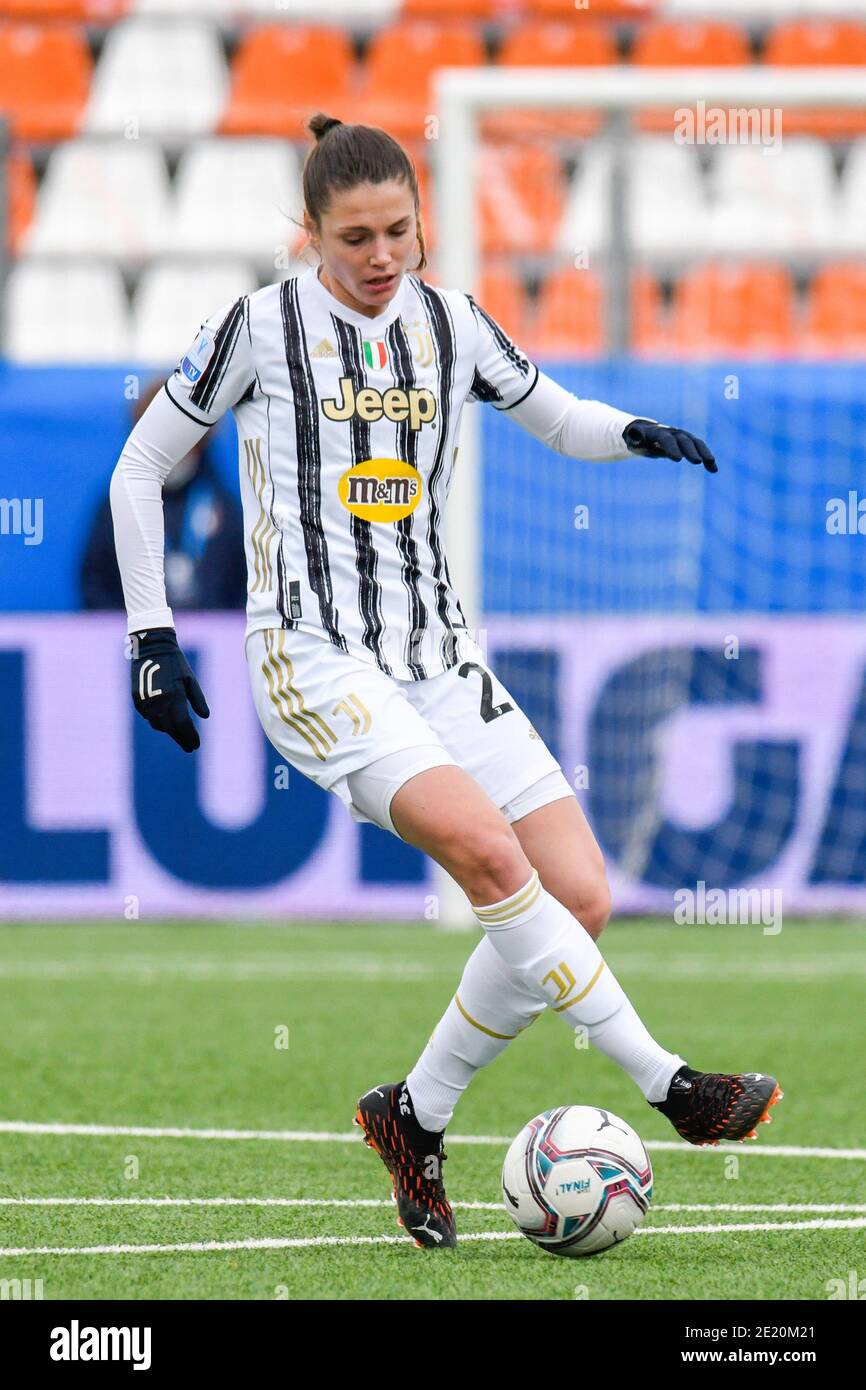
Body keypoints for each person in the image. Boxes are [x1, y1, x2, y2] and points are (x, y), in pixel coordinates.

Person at [110, 113, 782, 1251]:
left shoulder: (449, 320)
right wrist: (151, 637)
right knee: (489, 858)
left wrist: (635, 433)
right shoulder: (258, 329)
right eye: (355, 237)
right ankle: (672, 1087)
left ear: (422, 224)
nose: (380, 258)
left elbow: (554, 417)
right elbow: (139, 467)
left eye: (398, 233)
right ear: (308, 234)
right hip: (312, 655)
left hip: (438, 655)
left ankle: (410, 1116)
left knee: (578, 894)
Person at [84, 379, 246, 612]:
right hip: (136, 643)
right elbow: (95, 583)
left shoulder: (223, 506)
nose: (173, 451)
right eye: (161, 441)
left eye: (183, 439)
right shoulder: (117, 504)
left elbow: (246, 583)